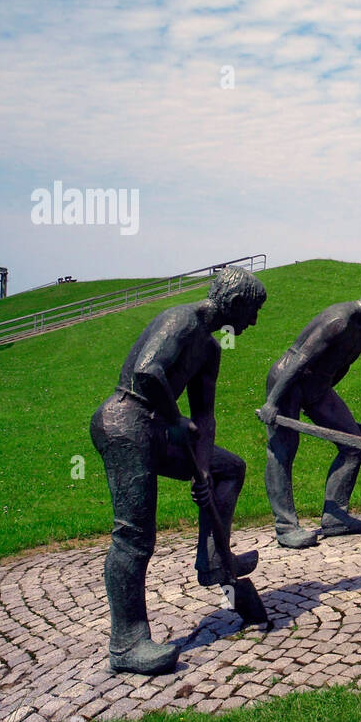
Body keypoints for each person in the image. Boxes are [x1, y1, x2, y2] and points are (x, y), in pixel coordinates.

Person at [90, 266, 267, 675]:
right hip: (125, 424)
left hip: (155, 428)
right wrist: (174, 418)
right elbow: (147, 373)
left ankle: (212, 559)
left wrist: (202, 472)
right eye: (253, 310)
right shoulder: (182, 319)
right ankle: (127, 643)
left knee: (229, 470)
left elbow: (204, 417)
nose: (254, 321)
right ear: (235, 303)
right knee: (134, 537)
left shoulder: (211, 348)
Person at [257, 276, 361, 548]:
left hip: (317, 386)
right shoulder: (339, 320)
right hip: (287, 381)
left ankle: (335, 517)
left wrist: (321, 397)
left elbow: (342, 365)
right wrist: (273, 402)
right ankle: (286, 528)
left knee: (353, 445)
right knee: (283, 451)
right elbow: (301, 357)